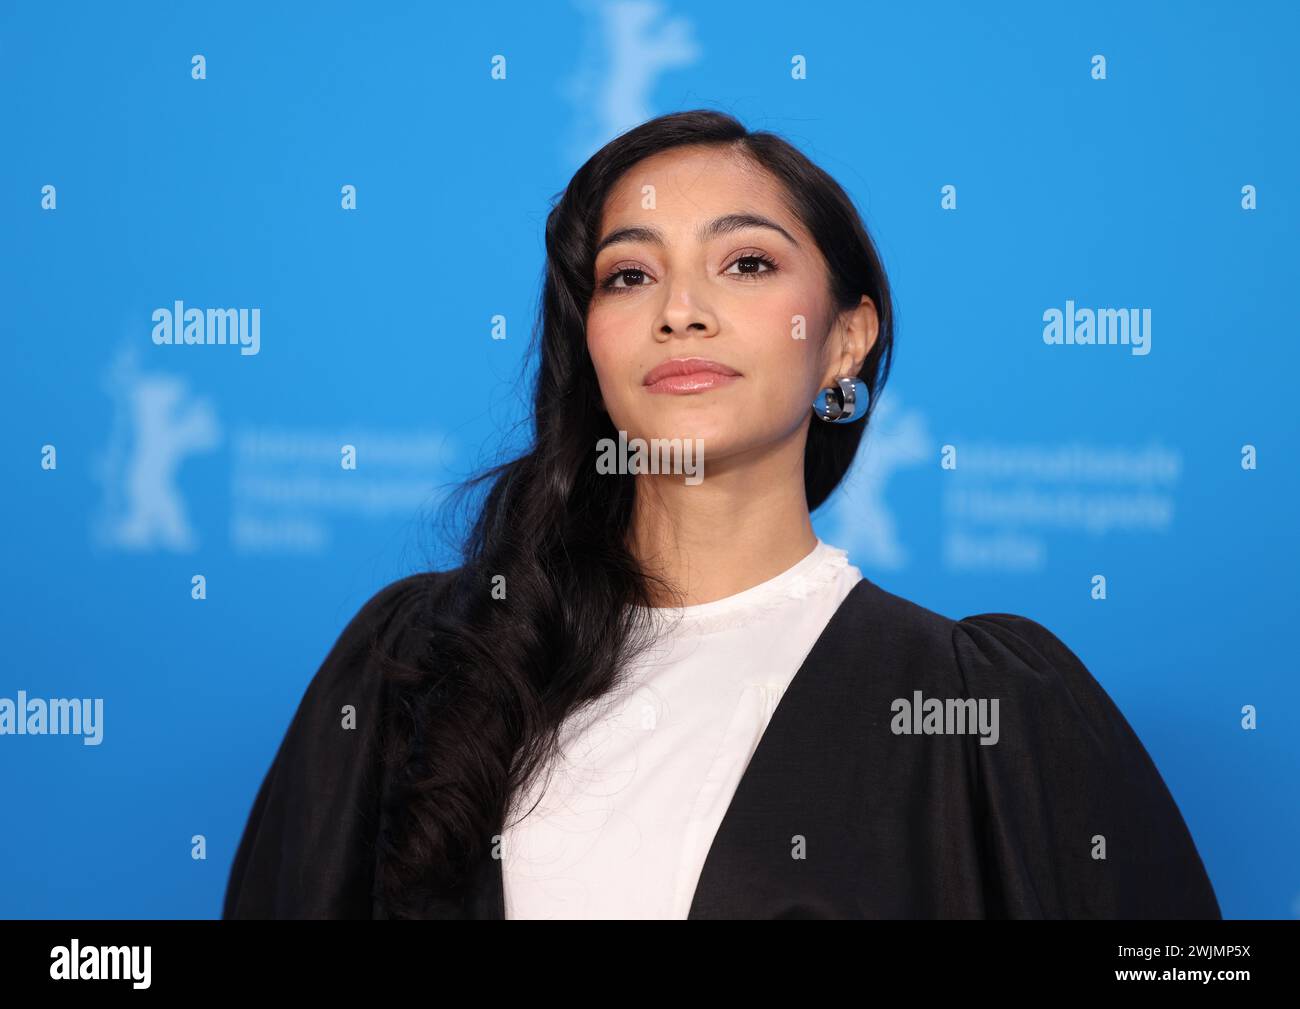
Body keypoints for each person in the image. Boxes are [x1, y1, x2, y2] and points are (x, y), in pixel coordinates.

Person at [222, 109, 1221, 920]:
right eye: (629, 274)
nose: (680, 310)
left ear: (845, 338)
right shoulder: (419, 659)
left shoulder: (986, 713)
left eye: (745, 264)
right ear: (593, 346)